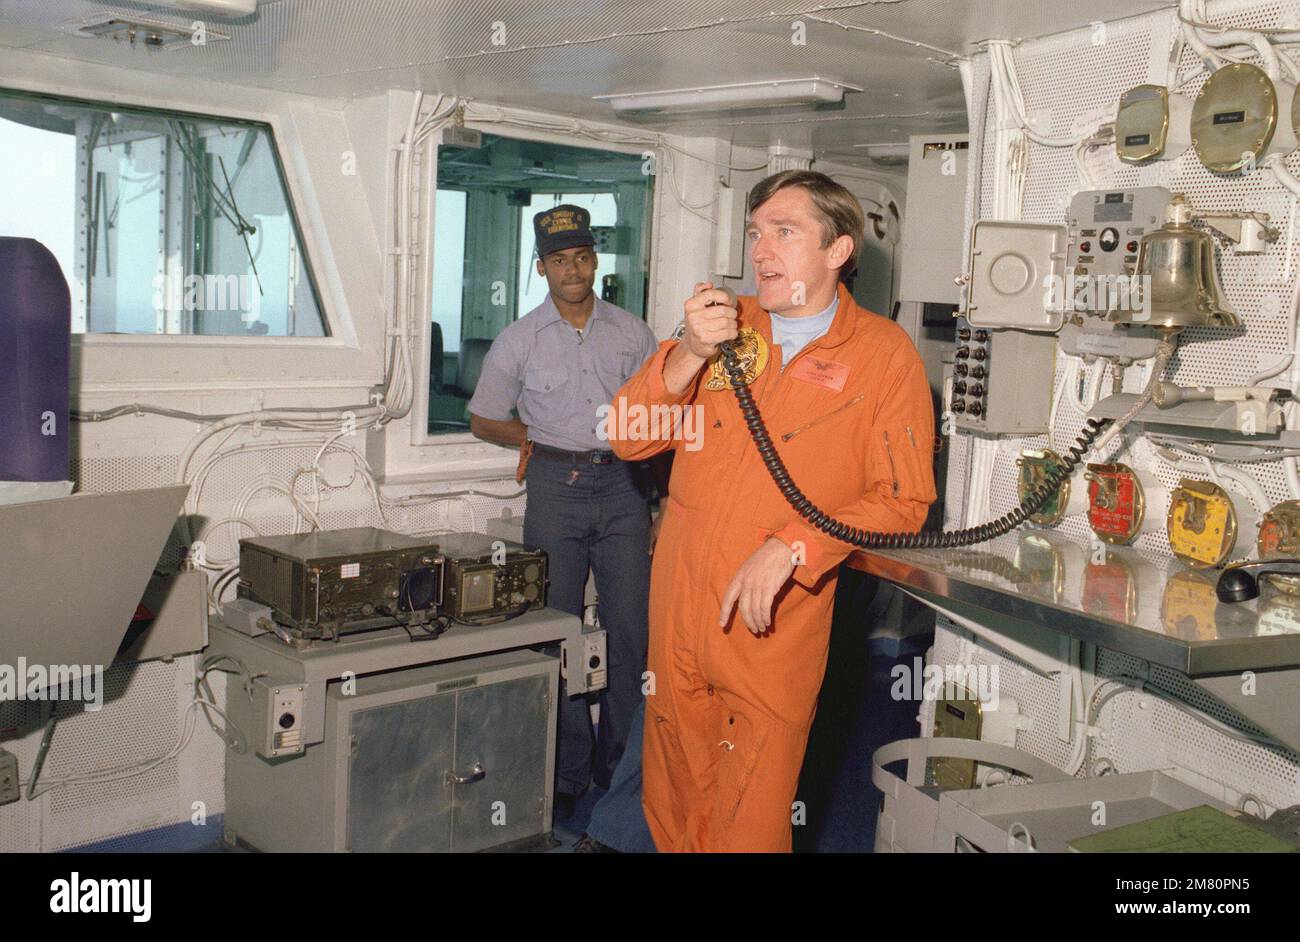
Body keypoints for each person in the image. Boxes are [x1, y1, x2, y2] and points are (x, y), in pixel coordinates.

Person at [607, 170, 938, 852]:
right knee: (670, 803)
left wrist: (795, 545)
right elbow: (629, 434)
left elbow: (905, 502)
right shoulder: (723, 328)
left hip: (773, 619)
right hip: (681, 605)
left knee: (752, 818)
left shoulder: (884, 355)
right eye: (757, 233)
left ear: (838, 250)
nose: (761, 250)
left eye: (784, 232)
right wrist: (689, 354)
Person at [469, 204, 659, 816]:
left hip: (625, 486)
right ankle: (567, 770)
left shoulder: (635, 334)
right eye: (558, 261)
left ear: (594, 261)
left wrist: (658, 502)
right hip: (554, 485)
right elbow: (482, 418)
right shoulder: (517, 339)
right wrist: (526, 439)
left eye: (581, 257)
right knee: (555, 630)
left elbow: (658, 420)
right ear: (542, 267)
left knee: (633, 633)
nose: (571, 270)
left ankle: (619, 770)